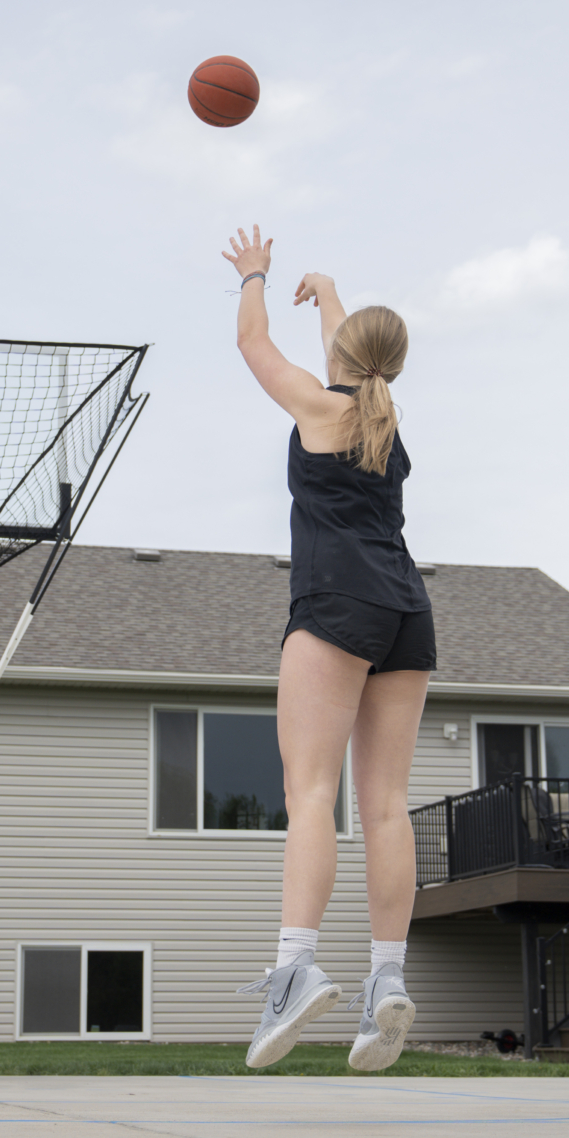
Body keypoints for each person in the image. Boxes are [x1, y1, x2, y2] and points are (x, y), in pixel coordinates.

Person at [221, 224, 433, 1071]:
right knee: (385, 804)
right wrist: (333, 290)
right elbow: (357, 357)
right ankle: (387, 980)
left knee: (309, 790)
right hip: (407, 611)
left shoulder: (321, 404)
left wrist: (256, 273)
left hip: (336, 603)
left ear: (344, 356)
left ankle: (295, 965)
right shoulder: (387, 415)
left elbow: (251, 340)